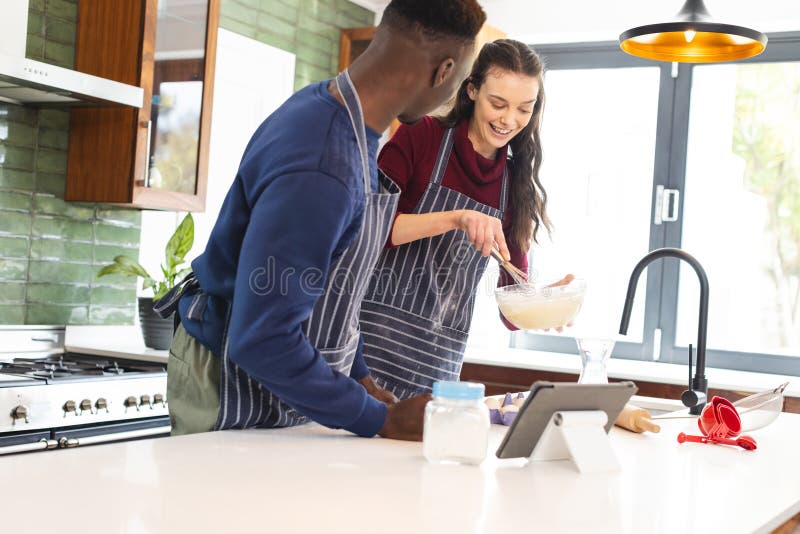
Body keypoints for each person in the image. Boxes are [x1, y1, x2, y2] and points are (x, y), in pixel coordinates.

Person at [155, 0, 487, 441]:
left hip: (274, 384)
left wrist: (360, 377)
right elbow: (263, 338)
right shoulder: (325, 161)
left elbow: (335, 287)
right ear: (443, 71)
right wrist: (379, 419)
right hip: (231, 385)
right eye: (462, 80)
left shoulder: (338, 115)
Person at [360, 40, 567, 400]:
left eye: (524, 109)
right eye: (498, 104)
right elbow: (367, 229)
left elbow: (511, 309)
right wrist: (455, 218)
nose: (509, 120)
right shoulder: (420, 137)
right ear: (472, 90)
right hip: (362, 358)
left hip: (436, 376)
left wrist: (543, 305)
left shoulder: (515, 186)